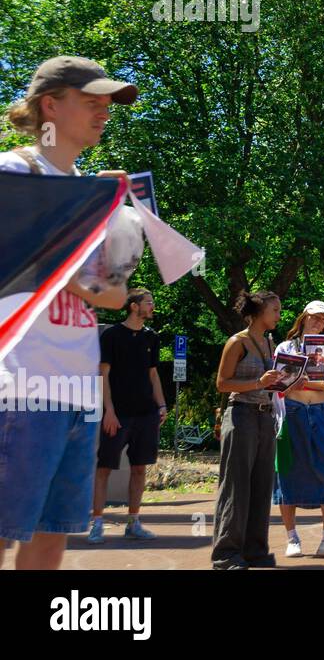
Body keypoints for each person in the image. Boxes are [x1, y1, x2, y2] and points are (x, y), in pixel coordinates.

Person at [0, 56, 136, 570]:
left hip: (76, 390)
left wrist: (112, 213)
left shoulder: (95, 192)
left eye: (108, 103)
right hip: (18, 386)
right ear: (50, 105)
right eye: (91, 101)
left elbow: (114, 296)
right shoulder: (14, 172)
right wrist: (78, 225)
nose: (104, 112)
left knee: (51, 538)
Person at [211, 290, 283, 569]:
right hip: (241, 415)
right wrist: (258, 383)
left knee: (262, 485)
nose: (278, 315)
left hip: (265, 417)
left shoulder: (268, 342)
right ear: (257, 313)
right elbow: (222, 383)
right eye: (274, 310)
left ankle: (255, 549)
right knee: (236, 486)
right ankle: (226, 554)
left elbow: (268, 382)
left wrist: (286, 381)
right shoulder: (237, 342)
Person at [274, 300, 324, 559]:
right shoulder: (286, 347)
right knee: (287, 471)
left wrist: (302, 382)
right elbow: (279, 383)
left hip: (321, 414)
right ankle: (291, 537)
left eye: (323, 319)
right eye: (315, 317)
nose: (318, 322)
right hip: (292, 414)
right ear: (304, 317)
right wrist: (299, 382)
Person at [89, 288, 166, 543]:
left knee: (139, 469)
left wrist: (161, 406)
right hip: (118, 415)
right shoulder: (112, 335)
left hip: (146, 415)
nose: (152, 306)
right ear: (134, 306)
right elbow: (104, 374)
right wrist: (108, 411)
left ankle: (133, 523)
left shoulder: (151, 337)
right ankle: (97, 523)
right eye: (148, 302)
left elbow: (153, 375)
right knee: (104, 468)